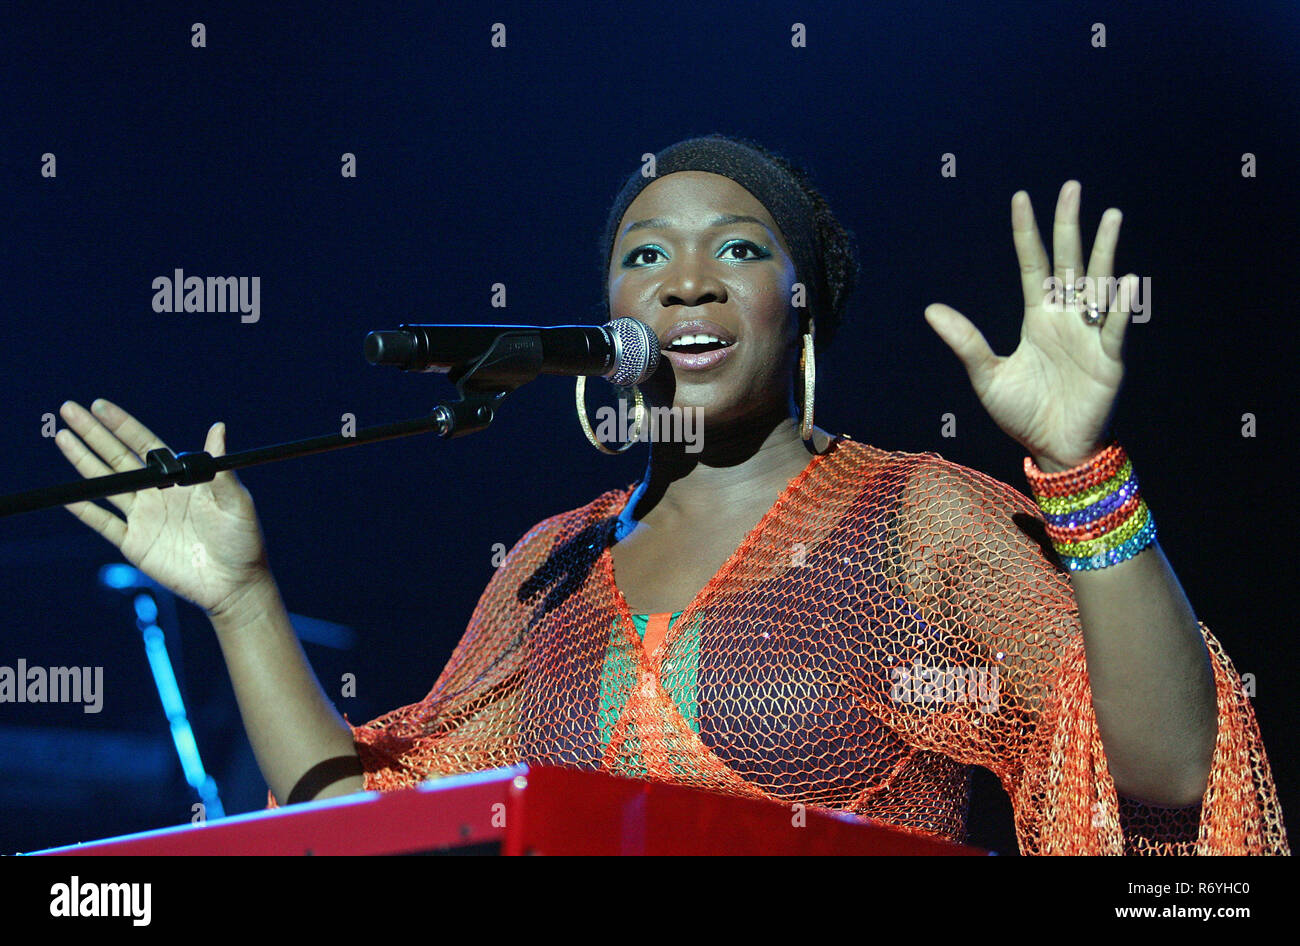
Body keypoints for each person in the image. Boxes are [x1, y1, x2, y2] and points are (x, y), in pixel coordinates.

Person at [54, 134, 1287, 855]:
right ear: (610, 320)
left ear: (799, 301)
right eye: (644, 256)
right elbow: (381, 821)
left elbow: (1171, 774)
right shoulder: (554, 560)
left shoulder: (911, 517)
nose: (685, 282)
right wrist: (240, 597)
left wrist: (1080, 476)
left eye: (739, 249)